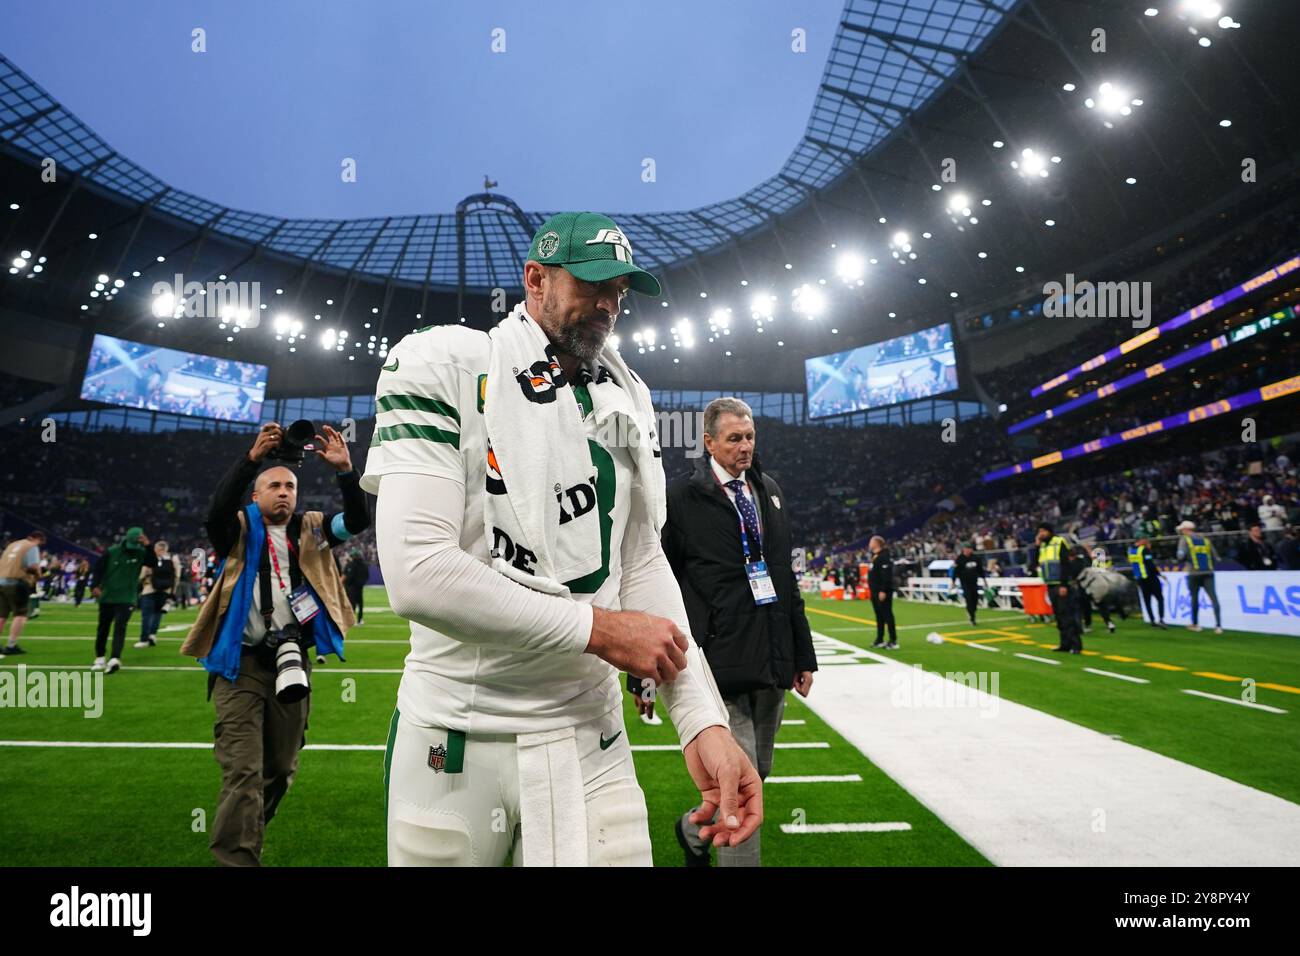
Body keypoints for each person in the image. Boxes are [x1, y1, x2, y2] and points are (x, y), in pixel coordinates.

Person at [363, 211, 761, 867]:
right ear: (536, 280)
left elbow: (640, 561)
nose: (606, 306)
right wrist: (599, 629)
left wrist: (702, 721)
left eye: (619, 292)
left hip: (591, 737)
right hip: (460, 738)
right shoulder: (445, 364)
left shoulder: (626, 397)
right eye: (591, 285)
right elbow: (417, 572)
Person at [180, 422, 369, 866]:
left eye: (290, 486)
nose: (283, 492)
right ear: (256, 495)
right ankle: (238, 857)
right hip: (240, 667)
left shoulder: (313, 529)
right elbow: (215, 513)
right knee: (243, 769)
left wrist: (346, 472)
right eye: (274, 485)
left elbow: (357, 521)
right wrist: (251, 462)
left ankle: (246, 828)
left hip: (292, 664)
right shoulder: (239, 530)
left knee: (280, 770)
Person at [646, 397, 816, 867]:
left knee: (756, 770)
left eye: (750, 437)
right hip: (718, 659)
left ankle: (692, 832)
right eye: (735, 438)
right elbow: (655, 580)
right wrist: (647, 666)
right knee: (739, 789)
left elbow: (784, 576)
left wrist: (803, 654)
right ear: (709, 443)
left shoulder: (771, 491)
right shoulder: (681, 499)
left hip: (772, 656)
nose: (745, 447)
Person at [89, 528, 157, 673]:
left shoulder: (141, 552)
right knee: (103, 628)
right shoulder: (112, 552)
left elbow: (153, 563)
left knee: (120, 627)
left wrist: (148, 545)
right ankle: (100, 657)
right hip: (107, 595)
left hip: (127, 597)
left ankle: (115, 658)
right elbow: (98, 569)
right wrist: (94, 585)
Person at [1030, 523, 1082, 654]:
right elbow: (1033, 563)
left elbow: (1065, 564)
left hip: (1060, 584)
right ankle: (1064, 644)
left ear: (1049, 531)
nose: (1041, 534)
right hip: (1050, 584)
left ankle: (1075, 645)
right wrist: (1036, 546)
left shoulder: (1059, 542)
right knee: (1059, 616)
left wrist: (1064, 584)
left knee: (1067, 616)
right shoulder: (1042, 546)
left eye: (1043, 531)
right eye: (1039, 531)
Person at [0, 530, 46, 656]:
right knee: (20, 614)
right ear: (38, 539)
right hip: (16, 582)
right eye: (40, 543)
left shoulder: (12, 545)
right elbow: (32, 566)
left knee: (2, 615)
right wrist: (38, 575)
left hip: (1, 581)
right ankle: (11, 645)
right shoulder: (31, 546)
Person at [1176, 520, 1223, 634]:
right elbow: (1216, 556)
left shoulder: (1184, 540)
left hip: (1194, 573)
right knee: (1214, 598)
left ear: (1185, 530)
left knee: (1194, 598)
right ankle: (1218, 626)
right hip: (1208, 572)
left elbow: (1180, 556)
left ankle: (1195, 624)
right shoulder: (1205, 540)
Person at [135, 540, 181, 648]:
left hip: (149, 588)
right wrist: (172, 592)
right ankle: (152, 635)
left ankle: (144, 639)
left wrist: (140, 584)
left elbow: (142, 574)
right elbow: (177, 576)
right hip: (165, 590)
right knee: (157, 614)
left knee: (146, 615)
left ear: (156, 549)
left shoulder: (151, 558)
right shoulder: (173, 558)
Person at [1127, 535, 1167, 629]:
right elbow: (1150, 564)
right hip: (1150, 578)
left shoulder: (1130, 550)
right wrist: (1159, 574)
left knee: (1147, 600)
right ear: (1142, 540)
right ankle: (1161, 619)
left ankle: (1152, 621)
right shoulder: (1144, 550)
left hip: (1139, 578)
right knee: (1159, 598)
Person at [867, 535, 898, 648]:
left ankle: (893, 640)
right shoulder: (875, 556)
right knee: (879, 616)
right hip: (875, 591)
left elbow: (886, 575)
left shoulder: (884, 557)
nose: (869, 543)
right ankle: (880, 638)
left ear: (877, 543)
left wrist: (883, 590)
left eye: (871, 541)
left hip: (882, 592)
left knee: (887, 615)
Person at [951, 542, 985, 626]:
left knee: (975, 599)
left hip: (974, 582)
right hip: (965, 582)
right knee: (969, 598)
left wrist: (984, 580)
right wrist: (953, 582)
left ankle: (971, 611)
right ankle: (972, 618)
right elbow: (956, 571)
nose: (968, 550)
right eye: (967, 548)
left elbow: (980, 570)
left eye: (970, 548)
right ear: (964, 549)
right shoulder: (960, 559)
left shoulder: (975, 558)